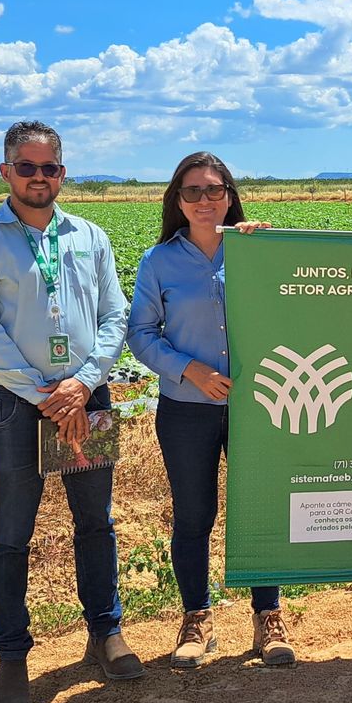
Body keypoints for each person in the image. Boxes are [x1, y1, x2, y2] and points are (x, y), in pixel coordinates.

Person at [0, 120, 142, 703]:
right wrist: (44, 395)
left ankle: (105, 634)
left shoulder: (90, 236)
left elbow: (115, 317)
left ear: (64, 173)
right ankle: (11, 656)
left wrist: (82, 385)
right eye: (27, 167)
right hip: (17, 404)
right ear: (5, 170)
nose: (40, 178)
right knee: (12, 531)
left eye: (50, 168)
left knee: (95, 521)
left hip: (88, 400)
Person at [126, 152, 296, 668]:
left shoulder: (256, 248)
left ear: (231, 194)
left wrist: (270, 251)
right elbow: (140, 334)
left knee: (260, 510)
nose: (205, 200)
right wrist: (188, 368)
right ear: (177, 199)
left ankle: (268, 616)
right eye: (193, 191)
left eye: (214, 190)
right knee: (193, 516)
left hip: (257, 408)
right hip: (186, 408)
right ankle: (197, 617)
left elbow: (294, 306)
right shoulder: (159, 261)